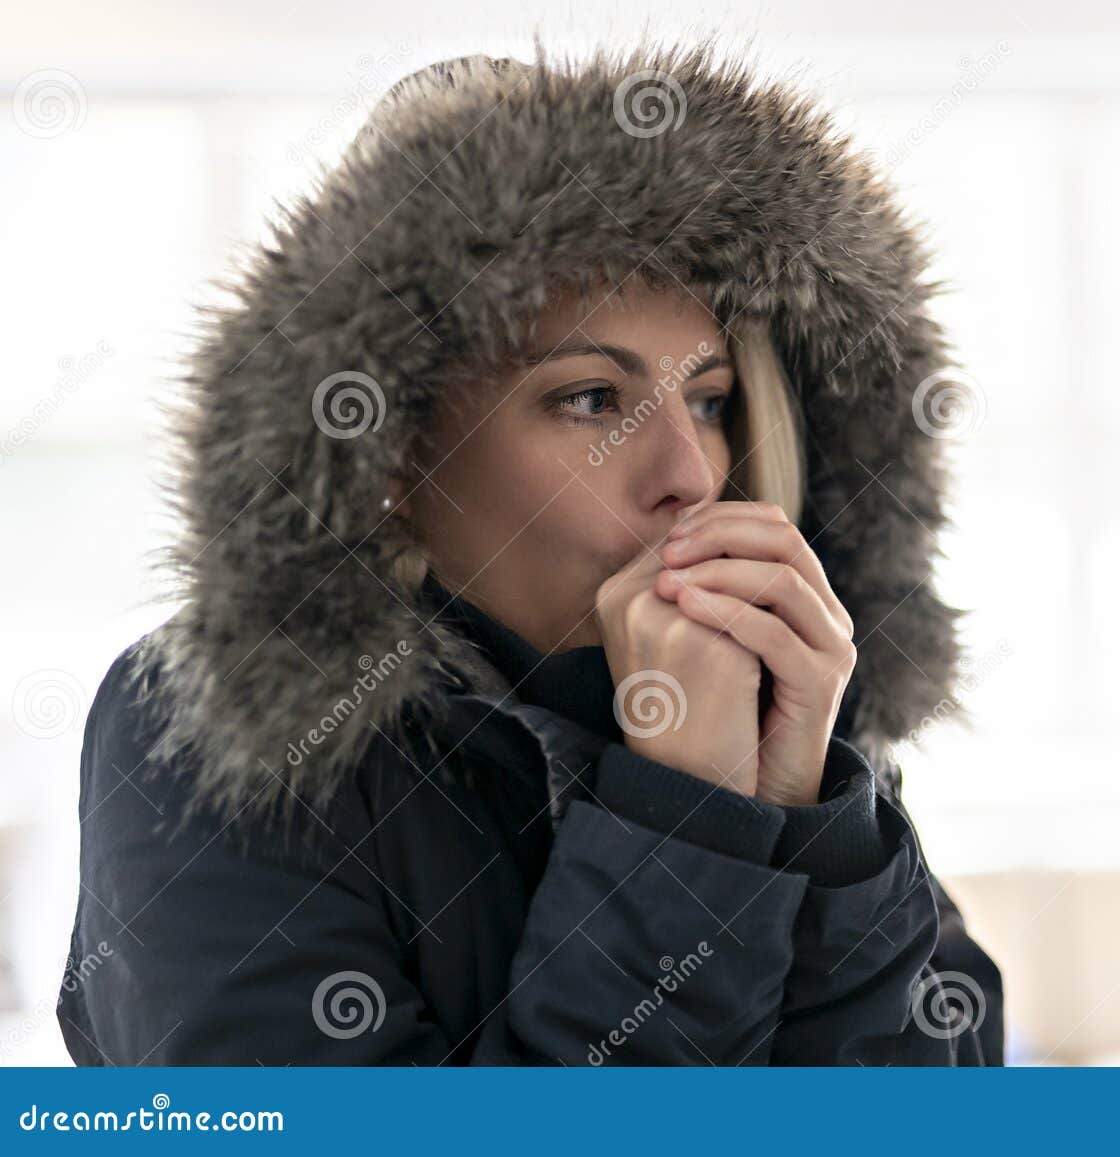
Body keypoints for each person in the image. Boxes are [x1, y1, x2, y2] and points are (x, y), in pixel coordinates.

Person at [58, 40, 1003, 1065]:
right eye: (590, 399)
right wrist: (687, 817)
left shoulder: (777, 693)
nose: (688, 471)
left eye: (711, 401)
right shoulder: (218, 727)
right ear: (396, 449)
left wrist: (810, 813)